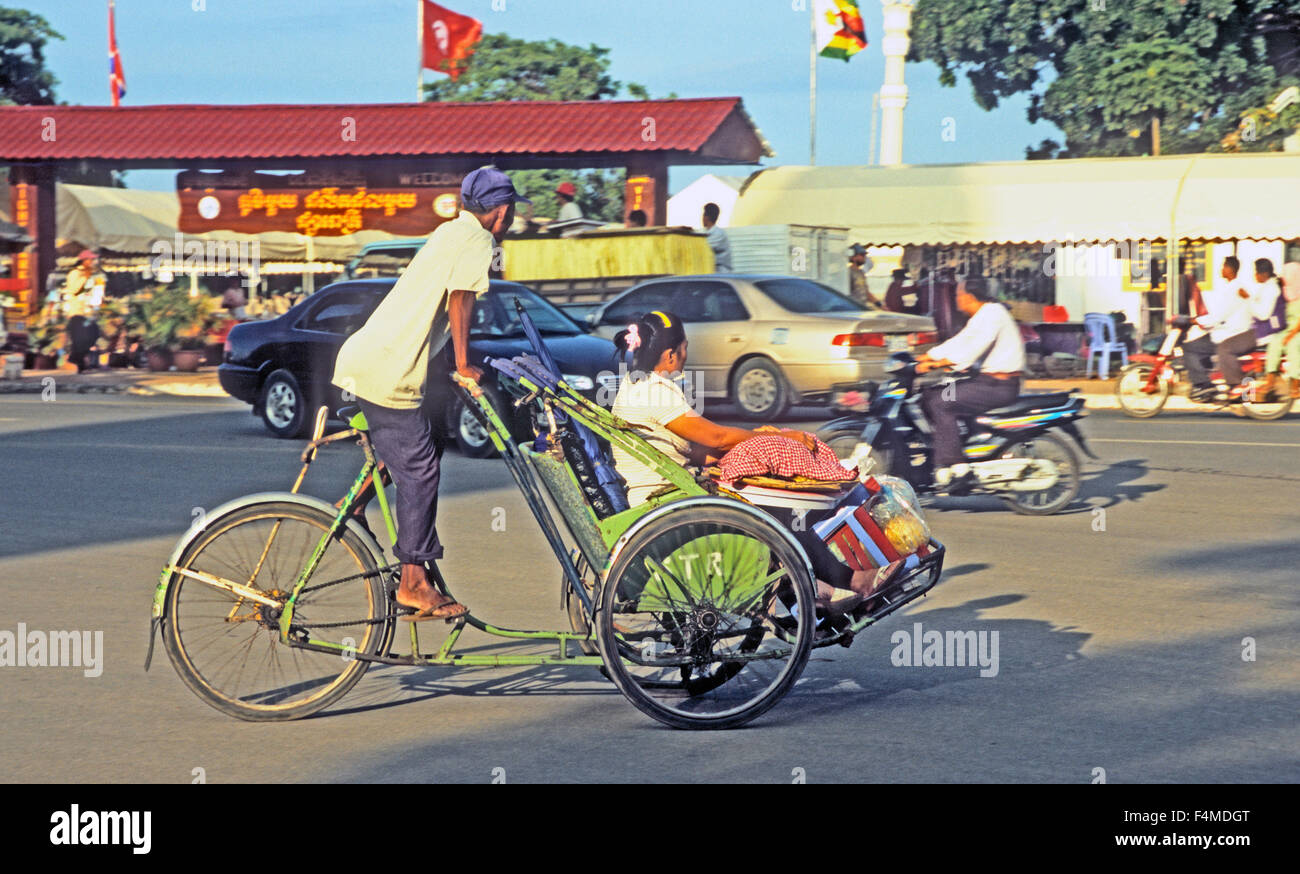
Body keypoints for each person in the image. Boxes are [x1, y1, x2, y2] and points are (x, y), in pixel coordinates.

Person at [331, 166, 529, 621]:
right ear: (500, 212)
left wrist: (449, 371)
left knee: (427, 440)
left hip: (370, 359)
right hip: (388, 372)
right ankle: (414, 582)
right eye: (512, 209)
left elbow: (433, 306)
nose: (512, 217)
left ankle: (355, 507)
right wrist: (463, 365)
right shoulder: (479, 241)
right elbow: (460, 298)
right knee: (420, 470)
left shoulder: (448, 232)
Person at [609, 309, 886, 610]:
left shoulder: (634, 385)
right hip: (667, 500)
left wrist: (752, 441)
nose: (687, 354)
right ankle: (840, 583)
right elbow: (715, 437)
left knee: (775, 503)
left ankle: (814, 587)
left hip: (670, 492)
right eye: (685, 347)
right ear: (671, 355)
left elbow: (696, 446)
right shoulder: (654, 393)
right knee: (780, 511)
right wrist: (778, 438)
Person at [915, 277, 1026, 490]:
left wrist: (939, 363)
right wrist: (926, 356)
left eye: (958, 295)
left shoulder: (993, 315)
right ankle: (956, 444)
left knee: (941, 402)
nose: (956, 299)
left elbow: (973, 348)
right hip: (987, 381)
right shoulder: (983, 315)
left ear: (969, 297)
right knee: (929, 395)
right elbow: (960, 340)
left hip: (998, 386)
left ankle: (957, 466)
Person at [1184, 256, 1260, 402]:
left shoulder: (1234, 289)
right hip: (1227, 331)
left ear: (1230, 269)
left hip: (1229, 334)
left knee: (1189, 348)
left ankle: (1203, 385)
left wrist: (1196, 320)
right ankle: (1208, 382)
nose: (1221, 269)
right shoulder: (1235, 287)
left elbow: (1219, 316)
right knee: (1199, 344)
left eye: (1224, 266)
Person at [61, 249, 106, 373]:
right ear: (84, 260)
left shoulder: (93, 274)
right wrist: (84, 278)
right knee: (79, 339)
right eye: (90, 260)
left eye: (93, 260)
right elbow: (74, 289)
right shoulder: (75, 273)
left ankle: (75, 358)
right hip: (77, 311)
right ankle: (79, 363)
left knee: (94, 334)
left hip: (89, 311)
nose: (92, 262)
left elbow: (97, 290)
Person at [1260, 261, 1300, 400]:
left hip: (1297, 330)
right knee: (1275, 342)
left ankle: (1296, 383)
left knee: (1293, 345)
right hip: (1288, 329)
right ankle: (1270, 378)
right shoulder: (1287, 291)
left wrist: (1291, 335)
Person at [847, 244, 880, 308]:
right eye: (862, 255)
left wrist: (879, 305)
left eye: (864, 255)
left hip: (861, 307)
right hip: (852, 308)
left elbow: (866, 292)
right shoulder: (848, 272)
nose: (864, 257)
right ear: (853, 257)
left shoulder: (861, 272)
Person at [702, 202, 732, 272]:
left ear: (707, 217)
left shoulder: (718, 233)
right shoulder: (707, 233)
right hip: (712, 271)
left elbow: (704, 247)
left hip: (721, 272)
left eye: (703, 215)